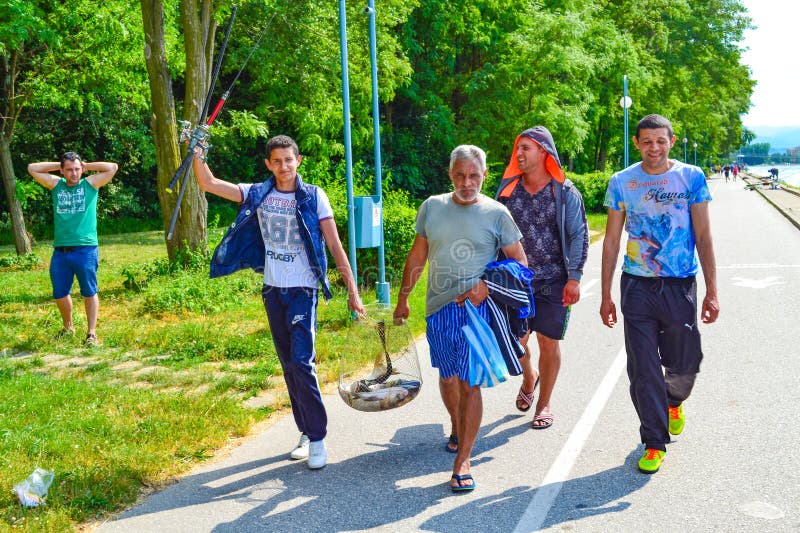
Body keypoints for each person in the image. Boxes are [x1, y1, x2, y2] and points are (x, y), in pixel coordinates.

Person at [192, 134, 365, 470]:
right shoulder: (259, 192)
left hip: (303, 290)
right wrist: (198, 152)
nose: (284, 166)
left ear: (298, 161)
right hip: (273, 290)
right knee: (289, 366)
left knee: (302, 363)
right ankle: (305, 432)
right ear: (268, 164)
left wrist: (352, 291)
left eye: (289, 160)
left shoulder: (314, 196)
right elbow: (209, 183)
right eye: (277, 161)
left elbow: (334, 245)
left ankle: (318, 437)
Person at [393, 145, 527, 492]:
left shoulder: (497, 213)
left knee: (470, 383)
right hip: (437, 309)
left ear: (485, 175)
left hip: (476, 310)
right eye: (460, 176)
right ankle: (457, 424)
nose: (467, 183)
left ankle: (463, 461)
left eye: (474, 176)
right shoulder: (432, 207)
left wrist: (487, 285)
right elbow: (418, 255)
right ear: (450, 175)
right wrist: (403, 298)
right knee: (448, 377)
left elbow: (520, 263)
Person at [599, 114, 719, 474]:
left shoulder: (691, 178)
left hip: (680, 284)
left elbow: (703, 236)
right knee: (643, 367)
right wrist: (605, 294)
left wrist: (712, 291)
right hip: (637, 285)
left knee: (683, 362)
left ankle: (673, 401)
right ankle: (653, 441)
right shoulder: (622, 182)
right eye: (647, 141)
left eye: (660, 141)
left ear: (671, 141)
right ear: (637, 143)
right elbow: (611, 241)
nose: (654, 148)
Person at [495, 126, 589, 429]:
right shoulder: (508, 190)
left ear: (543, 151)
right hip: (515, 281)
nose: (519, 153)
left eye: (526, 148)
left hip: (554, 280)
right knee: (515, 343)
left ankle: (544, 403)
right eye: (518, 148)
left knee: (548, 342)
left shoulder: (564, 192)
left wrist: (574, 277)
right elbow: (492, 231)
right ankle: (529, 376)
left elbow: (579, 235)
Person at [27, 153, 118, 346]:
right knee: (60, 292)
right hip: (61, 250)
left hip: (85, 249)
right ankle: (68, 328)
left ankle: (91, 333)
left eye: (77, 169)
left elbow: (112, 167)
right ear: (62, 170)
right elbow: (32, 168)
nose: (74, 173)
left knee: (89, 291)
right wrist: (59, 165)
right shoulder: (56, 184)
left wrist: (85, 165)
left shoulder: (90, 184)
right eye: (69, 169)